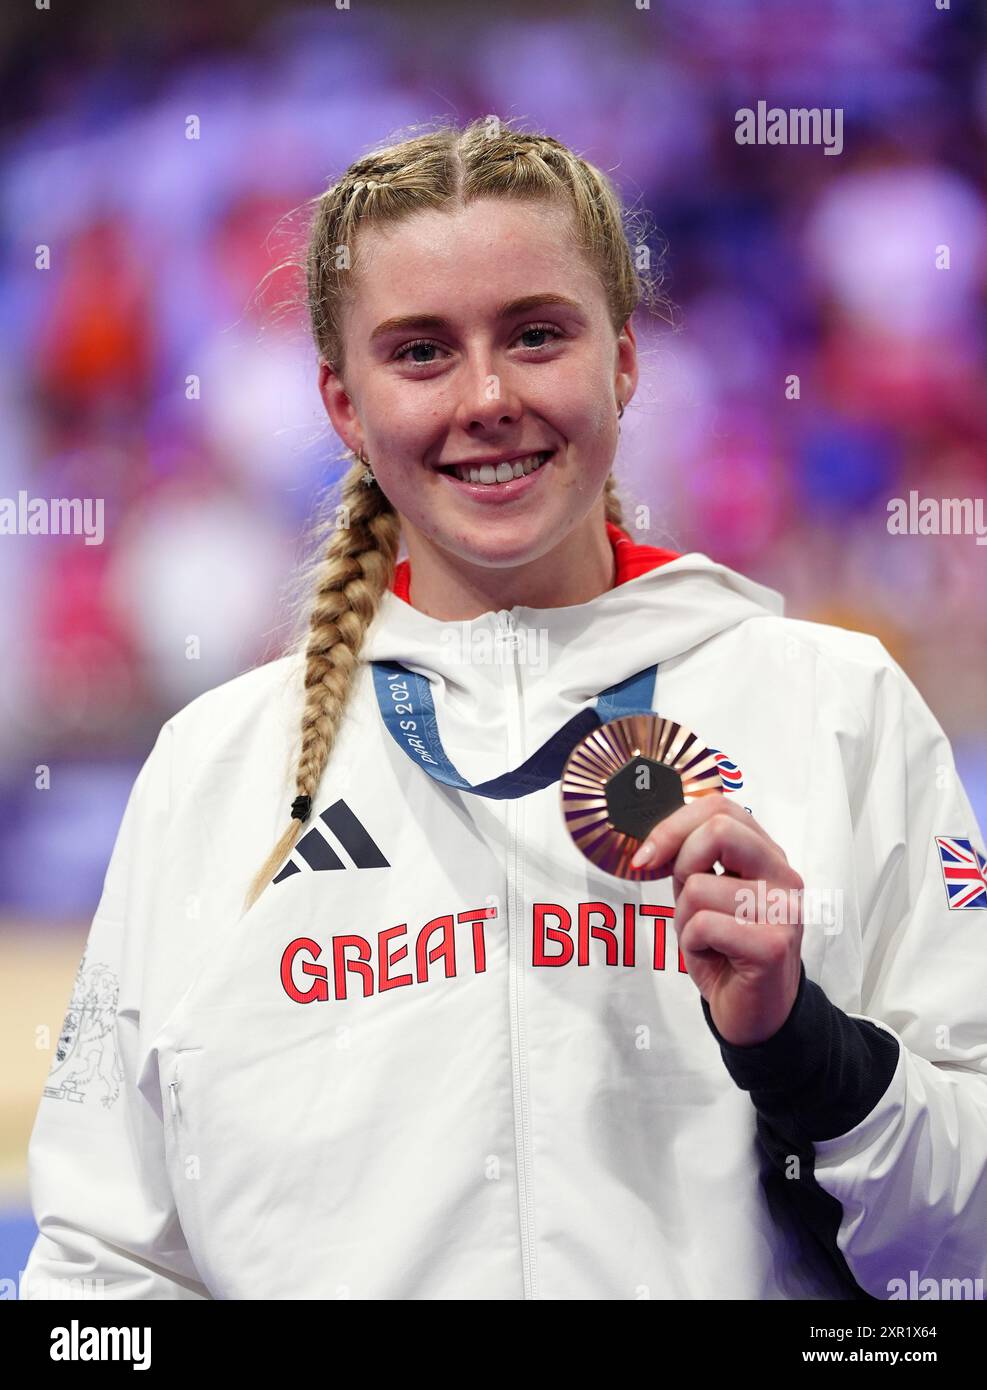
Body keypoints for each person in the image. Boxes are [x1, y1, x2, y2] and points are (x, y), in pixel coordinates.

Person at [21, 119, 987, 1301]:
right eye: (421, 352)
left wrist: (809, 1051)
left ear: (625, 361)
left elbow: (969, 1248)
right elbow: (101, 1270)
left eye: (536, 335)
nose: (487, 397)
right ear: (342, 404)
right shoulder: (212, 769)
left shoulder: (839, 708)